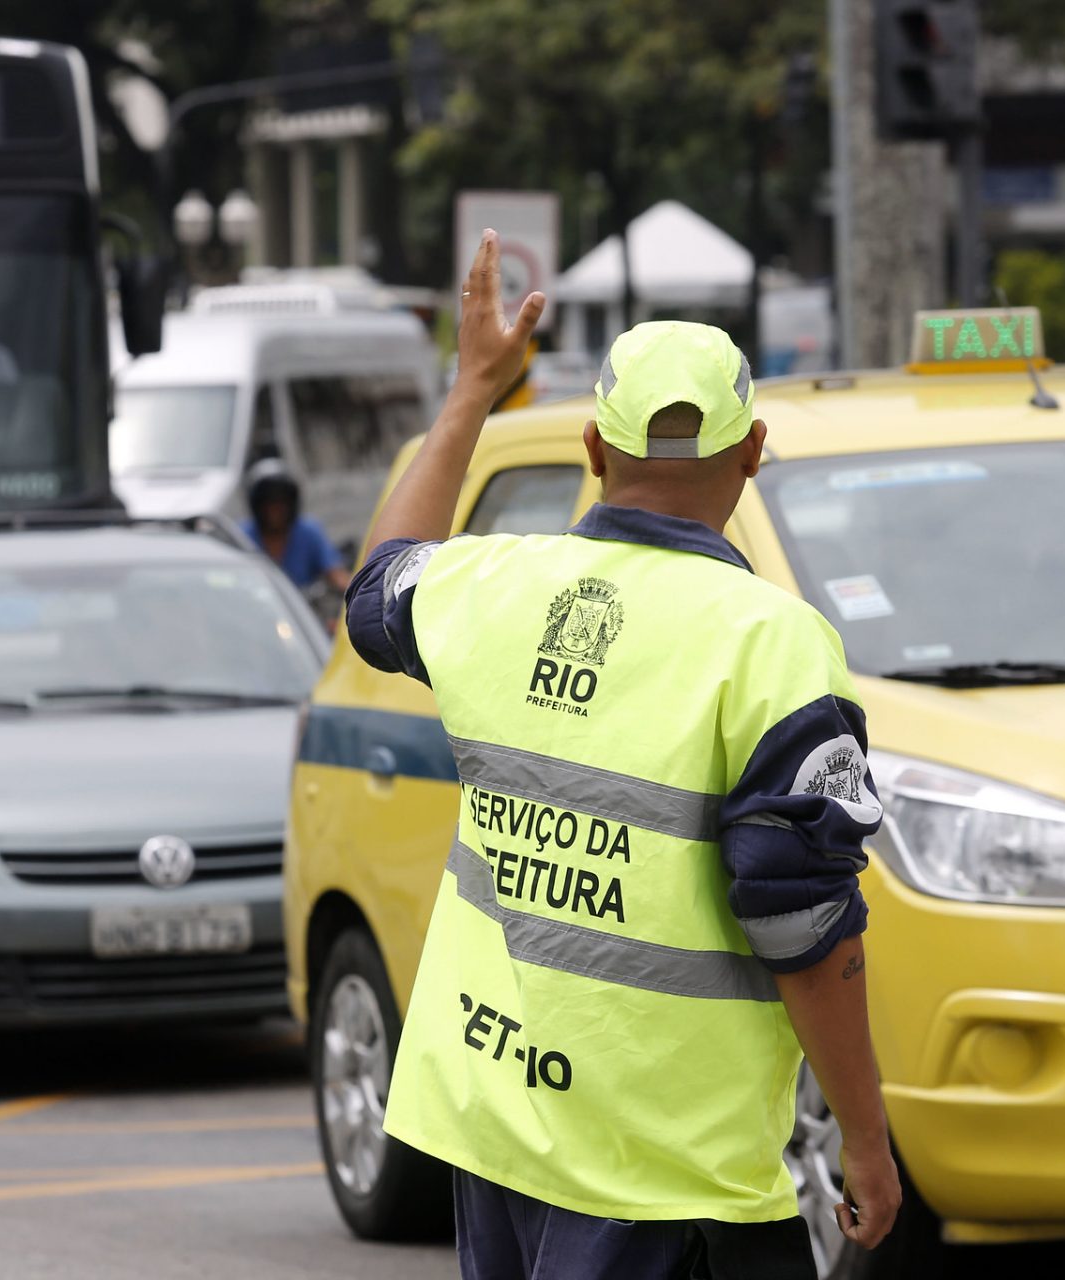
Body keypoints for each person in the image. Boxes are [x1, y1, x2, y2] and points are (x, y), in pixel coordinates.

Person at [343, 231, 899, 1278]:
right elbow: (802, 921)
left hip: (497, 1128)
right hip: (669, 1171)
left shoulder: (488, 587)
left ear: (593, 452)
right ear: (754, 452)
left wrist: (472, 392)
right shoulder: (772, 644)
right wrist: (864, 1139)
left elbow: (376, 588)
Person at [241, 459, 350, 594]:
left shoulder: (309, 532)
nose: (275, 510)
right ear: (257, 505)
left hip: (303, 611)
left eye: (281, 502)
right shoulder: (242, 538)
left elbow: (337, 576)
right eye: (269, 503)